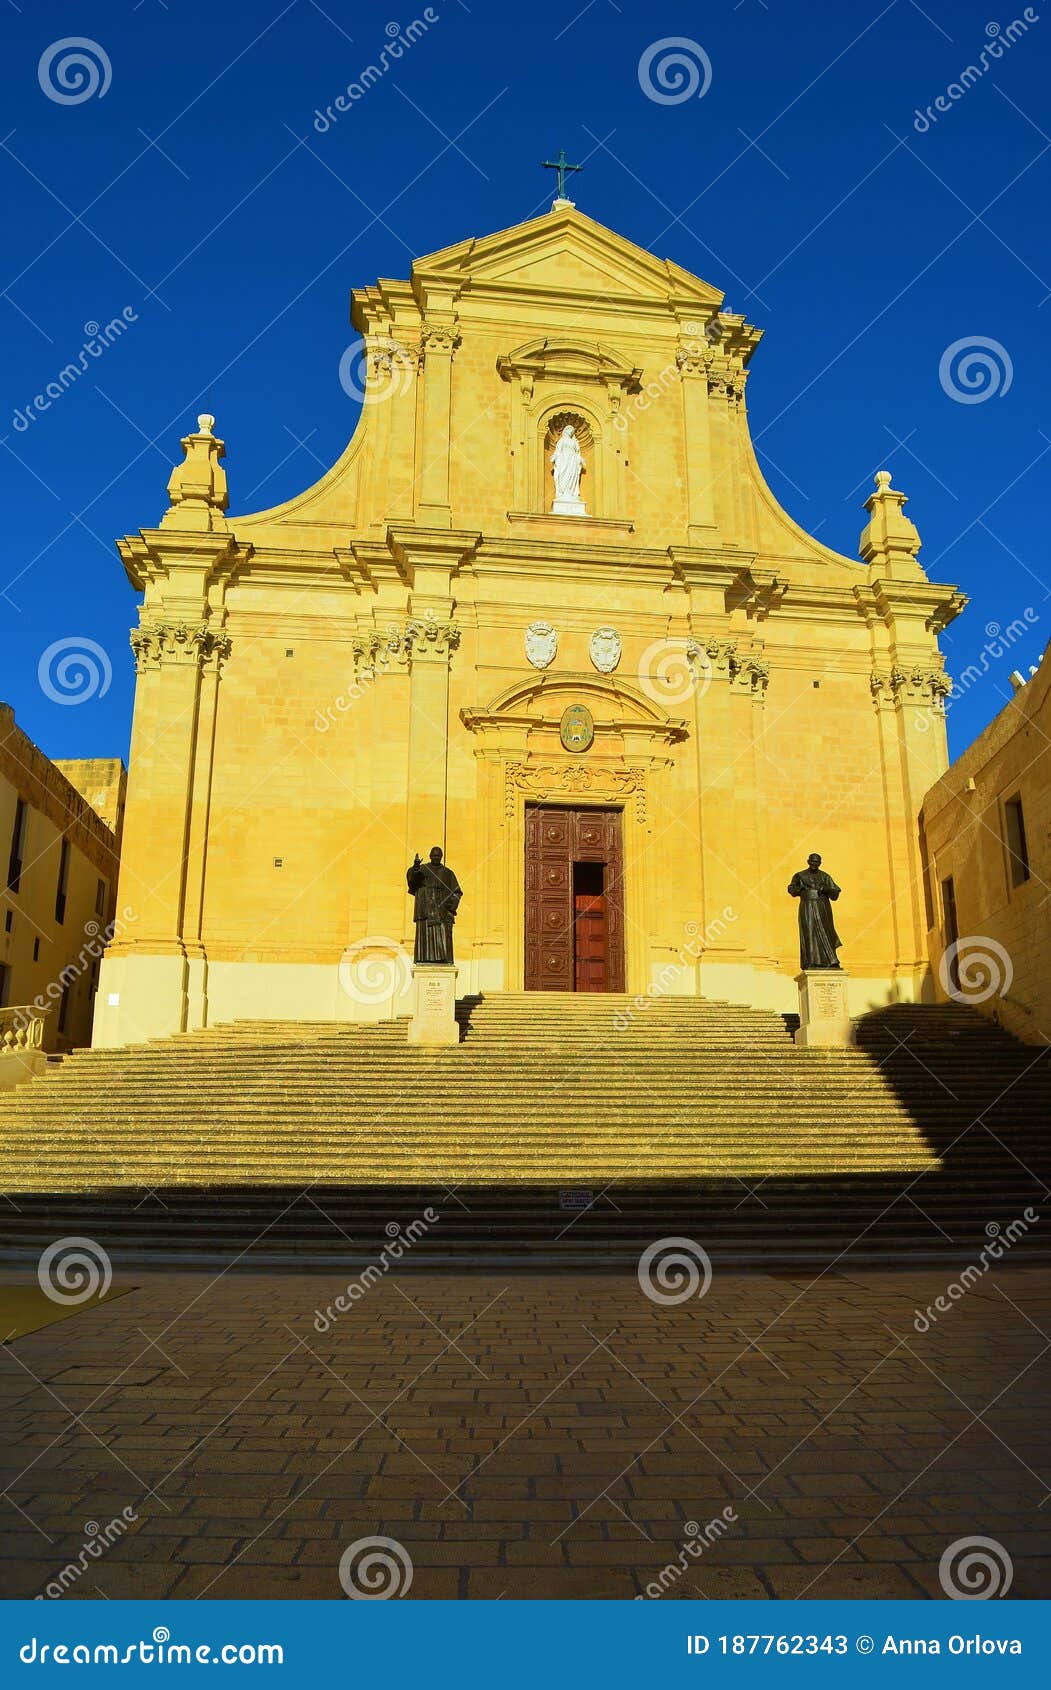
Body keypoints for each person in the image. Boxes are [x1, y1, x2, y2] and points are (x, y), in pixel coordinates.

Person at [406, 846, 462, 965]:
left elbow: (457, 892)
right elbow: (412, 880)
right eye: (434, 856)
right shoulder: (422, 869)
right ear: (430, 856)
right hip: (425, 909)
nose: (436, 858)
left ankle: (443, 960)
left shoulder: (448, 873)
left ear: (441, 857)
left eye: (438, 856)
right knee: (425, 935)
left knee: (442, 937)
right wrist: (415, 867)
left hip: (441, 910)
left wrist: (451, 908)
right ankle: (424, 958)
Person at [788, 853, 843, 970]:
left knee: (826, 932)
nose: (814, 864)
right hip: (807, 906)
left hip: (822, 906)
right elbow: (791, 889)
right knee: (809, 931)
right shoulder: (800, 875)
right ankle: (811, 961)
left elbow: (835, 892)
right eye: (812, 862)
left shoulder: (825, 877)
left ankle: (830, 960)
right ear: (808, 861)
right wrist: (799, 889)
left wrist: (827, 889)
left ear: (820, 863)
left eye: (817, 862)